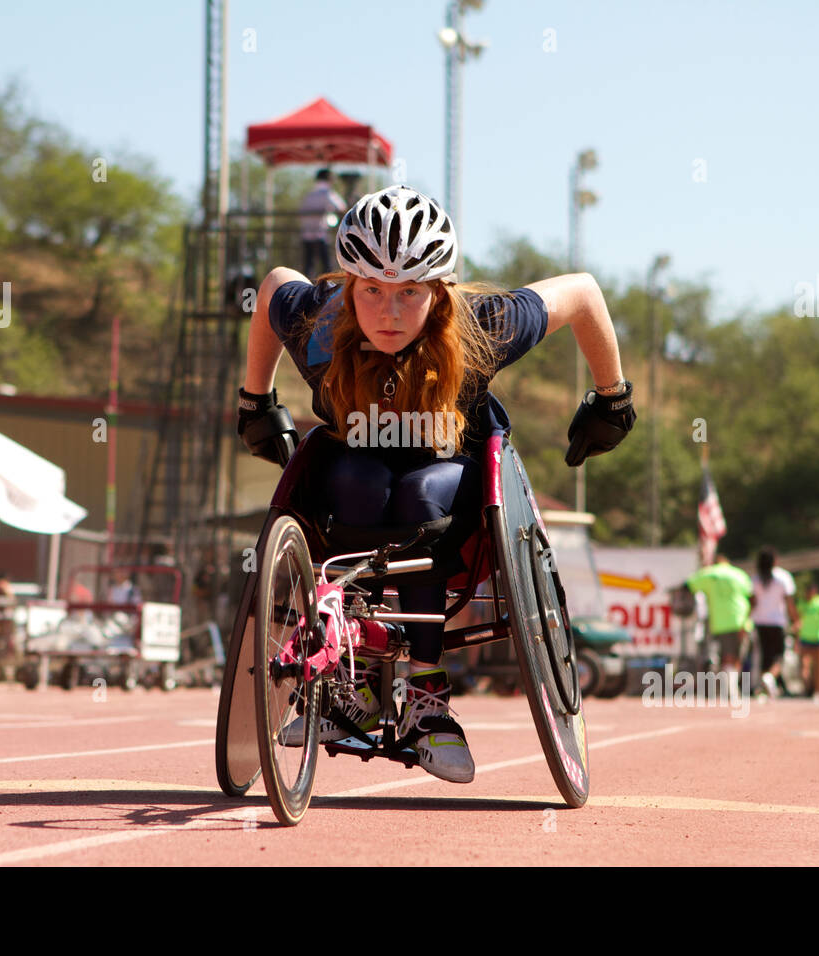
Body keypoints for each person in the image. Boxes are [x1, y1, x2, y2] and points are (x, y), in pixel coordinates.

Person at [238, 184, 635, 783]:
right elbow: (273, 284)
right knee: (359, 481)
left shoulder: (482, 328)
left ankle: (427, 694)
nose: (388, 312)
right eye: (371, 290)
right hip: (355, 479)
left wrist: (613, 396)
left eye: (409, 293)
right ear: (349, 287)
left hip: (452, 484)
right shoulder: (320, 325)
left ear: (439, 292)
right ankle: (363, 678)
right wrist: (255, 399)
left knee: (415, 495)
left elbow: (582, 292)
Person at [686, 553, 754, 680]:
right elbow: (753, 598)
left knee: (726, 656)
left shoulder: (710, 573)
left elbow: (689, 584)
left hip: (721, 623)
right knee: (738, 656)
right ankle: (731, 686)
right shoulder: (739, 574)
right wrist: (747, 619)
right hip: (742, 621)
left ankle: (728, 686)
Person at [750, 546, 796, 698]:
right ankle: (769, 677)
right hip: (777, 622)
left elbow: (753, 602)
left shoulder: (755, 579)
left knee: (765, 656)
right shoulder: (783, 577)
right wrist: (796, 620)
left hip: (760, 621)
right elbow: (789, 602)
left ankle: (764, 687)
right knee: (779, 656)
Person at [297, 169, 347, 279]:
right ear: (329, 180)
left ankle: (306, 287)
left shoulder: (309, 195)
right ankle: (327, 289)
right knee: (326, 264)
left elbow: (301, 212)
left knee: (308, 264)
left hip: (306, 233)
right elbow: (342, 207)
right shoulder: (328, 194)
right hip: (321, 233)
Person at [796, 580, 819, 700]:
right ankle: (807, 688)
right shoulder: (801, 603)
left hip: (818, 637)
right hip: (805, 637)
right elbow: (799, 620)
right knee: (804, 665)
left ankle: (818, 690)